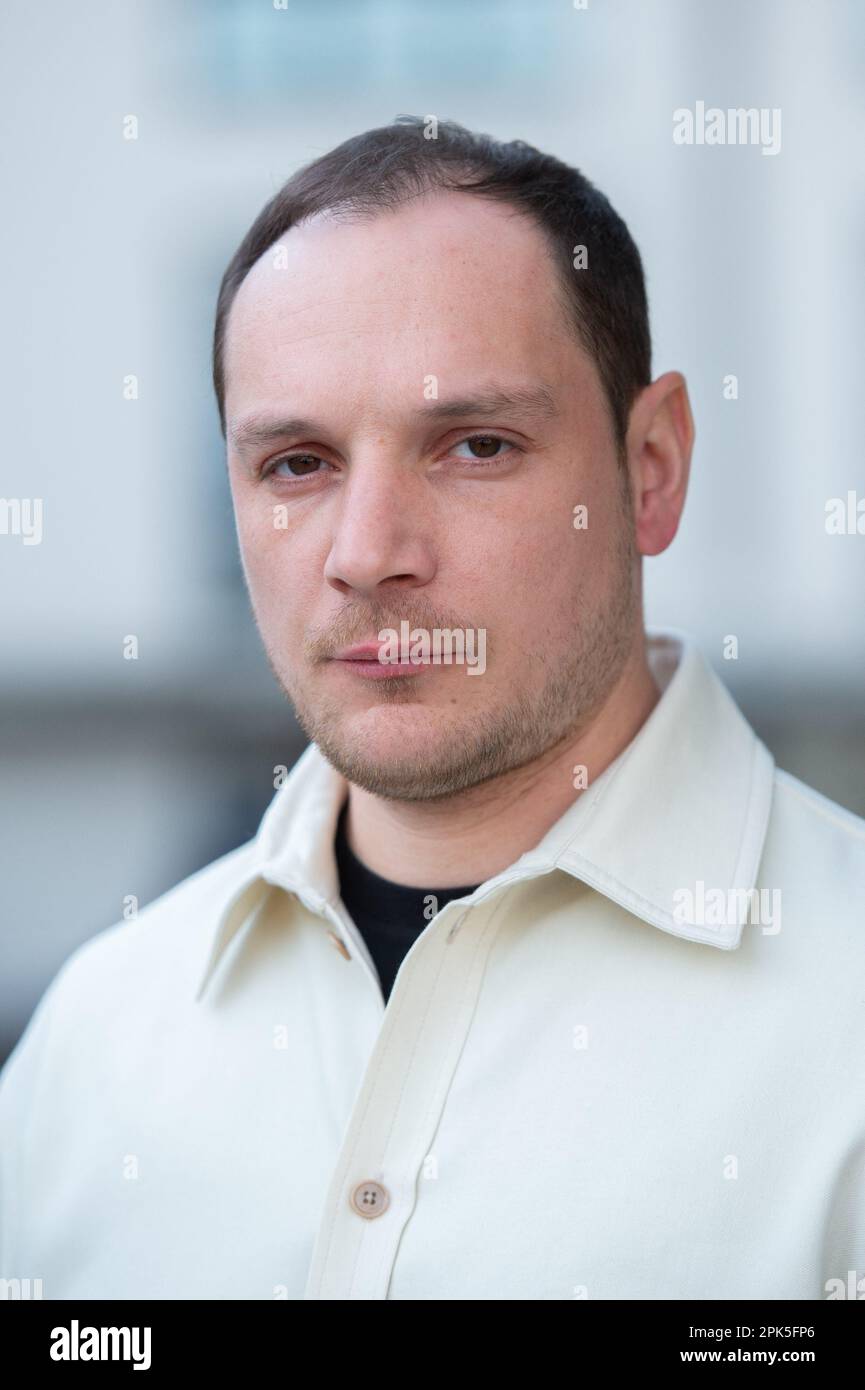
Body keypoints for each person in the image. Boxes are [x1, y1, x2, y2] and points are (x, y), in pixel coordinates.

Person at [1, 117, 863, 1302]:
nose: (366, 555)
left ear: (650, 467)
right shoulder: (92, 1044)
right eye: (296, 463)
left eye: (473, 444)